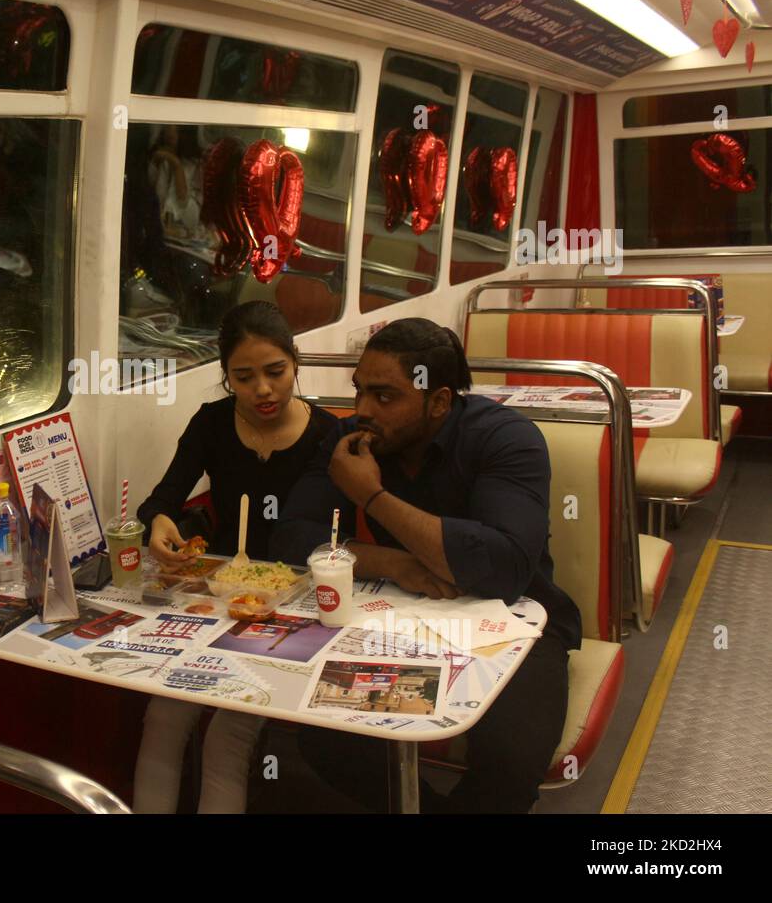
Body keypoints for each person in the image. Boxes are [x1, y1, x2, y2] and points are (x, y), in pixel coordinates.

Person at [270, 317, 582, 813]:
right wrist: (394, 563)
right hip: (400, 617)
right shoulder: (352, 440)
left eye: (384, 397)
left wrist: (371, 496)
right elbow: (288, 537)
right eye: (359, 392)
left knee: (507, 760)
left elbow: (503, 567)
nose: (362, 411)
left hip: (520, 622)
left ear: (438, 401)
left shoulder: (506, 439)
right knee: (326, 740)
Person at [133, 301, 332, 813]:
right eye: (244, 378)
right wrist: (157, 523)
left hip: (298, 606)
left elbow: (330, 539)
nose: (262, 390)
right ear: (226, 378)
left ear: (295, 363)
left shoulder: (328, 435)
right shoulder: (211, 424)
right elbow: (162, 499)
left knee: (226, 734)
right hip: (225, 595)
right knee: (163, 717)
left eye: (275, 373)